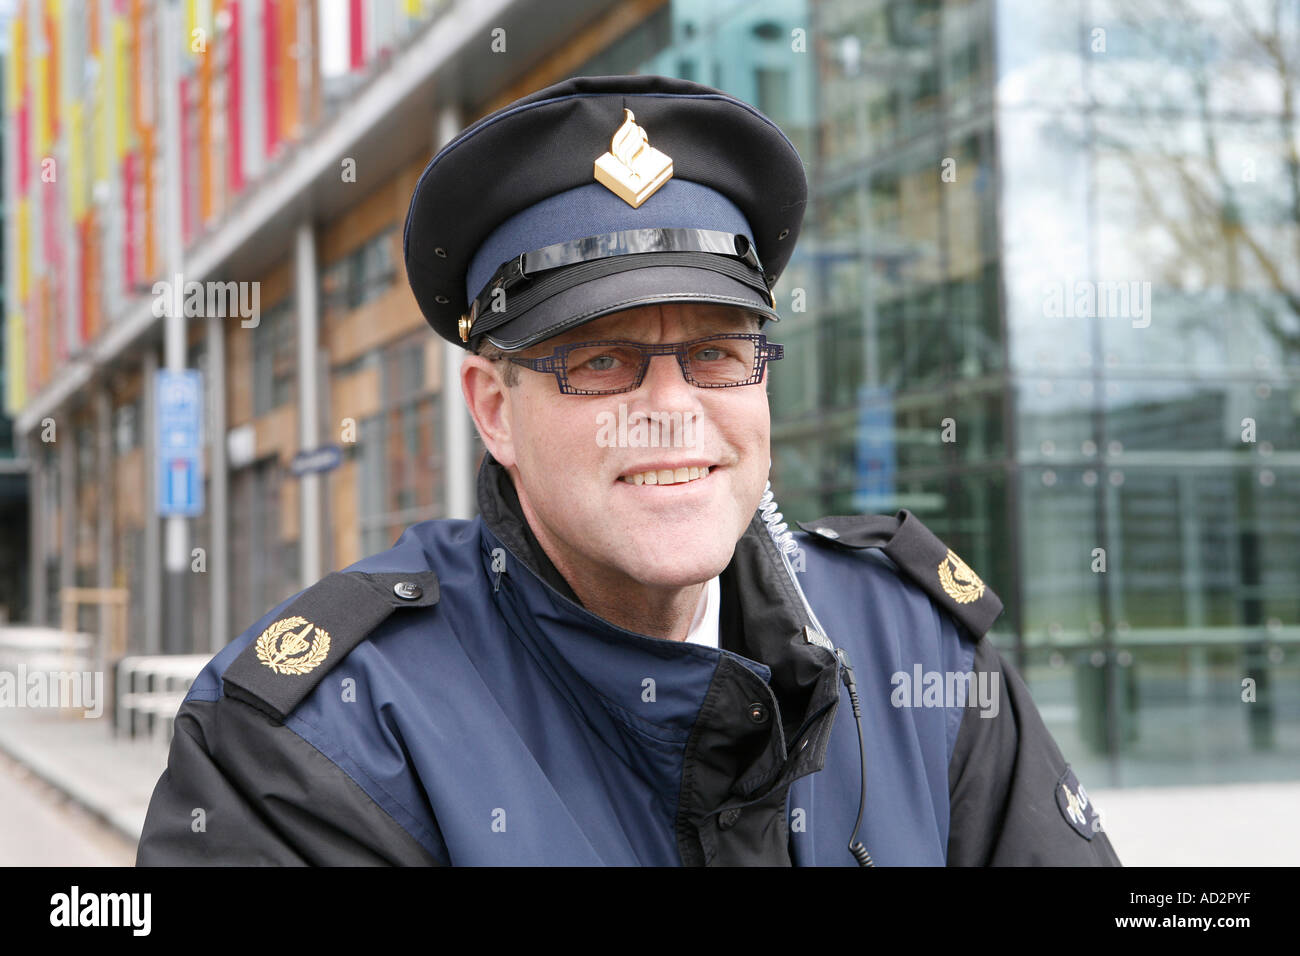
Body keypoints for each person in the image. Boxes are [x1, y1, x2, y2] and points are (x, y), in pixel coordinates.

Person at [136, 74, 1120, 866]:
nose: (673, 407)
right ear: (494, 411)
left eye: (718, 350)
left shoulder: (917, 647)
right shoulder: (317, 741)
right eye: (598, 360)